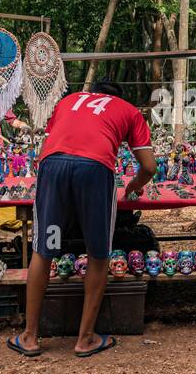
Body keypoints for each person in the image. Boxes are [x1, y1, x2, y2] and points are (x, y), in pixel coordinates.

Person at [9, 79, 156, 358]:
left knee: (44, 249)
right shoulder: (129, 111)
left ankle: (29, 336)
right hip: (95, 169)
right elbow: (149, 166)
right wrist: (134, 187)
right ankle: (85, 338)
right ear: (119, 98)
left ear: (92, 93)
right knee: (98, 253)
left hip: (52, 168)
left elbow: (50, 145)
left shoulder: (68, 101)